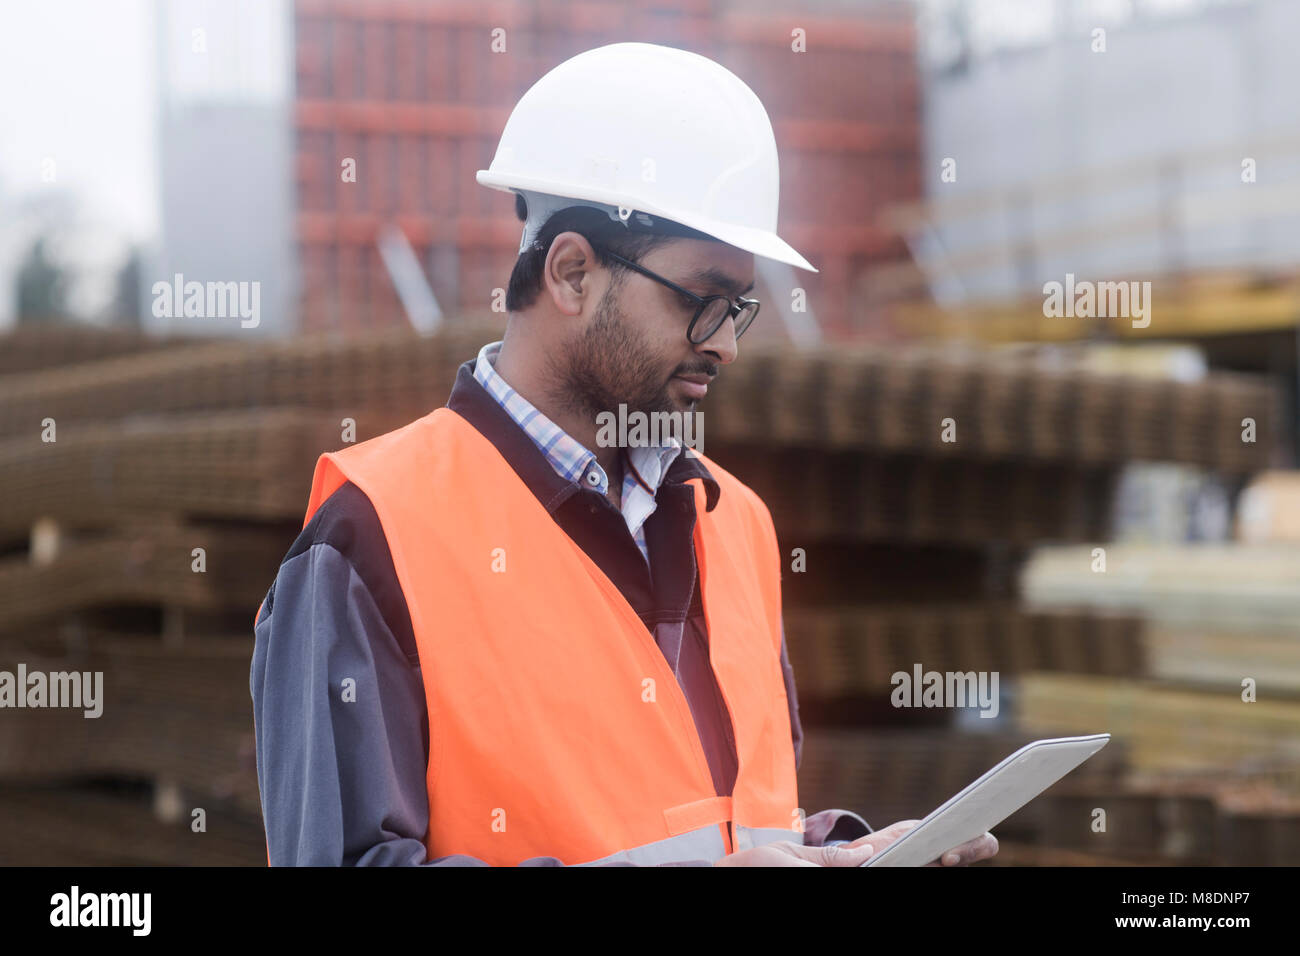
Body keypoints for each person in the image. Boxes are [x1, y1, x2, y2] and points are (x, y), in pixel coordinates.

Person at [251, 41, 997, 868]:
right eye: (702, 300)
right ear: (572, 273)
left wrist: (835, 854)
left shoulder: (734, 522)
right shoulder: (374, 533)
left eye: (738, 309)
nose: (727, 347)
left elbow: (716, 822)